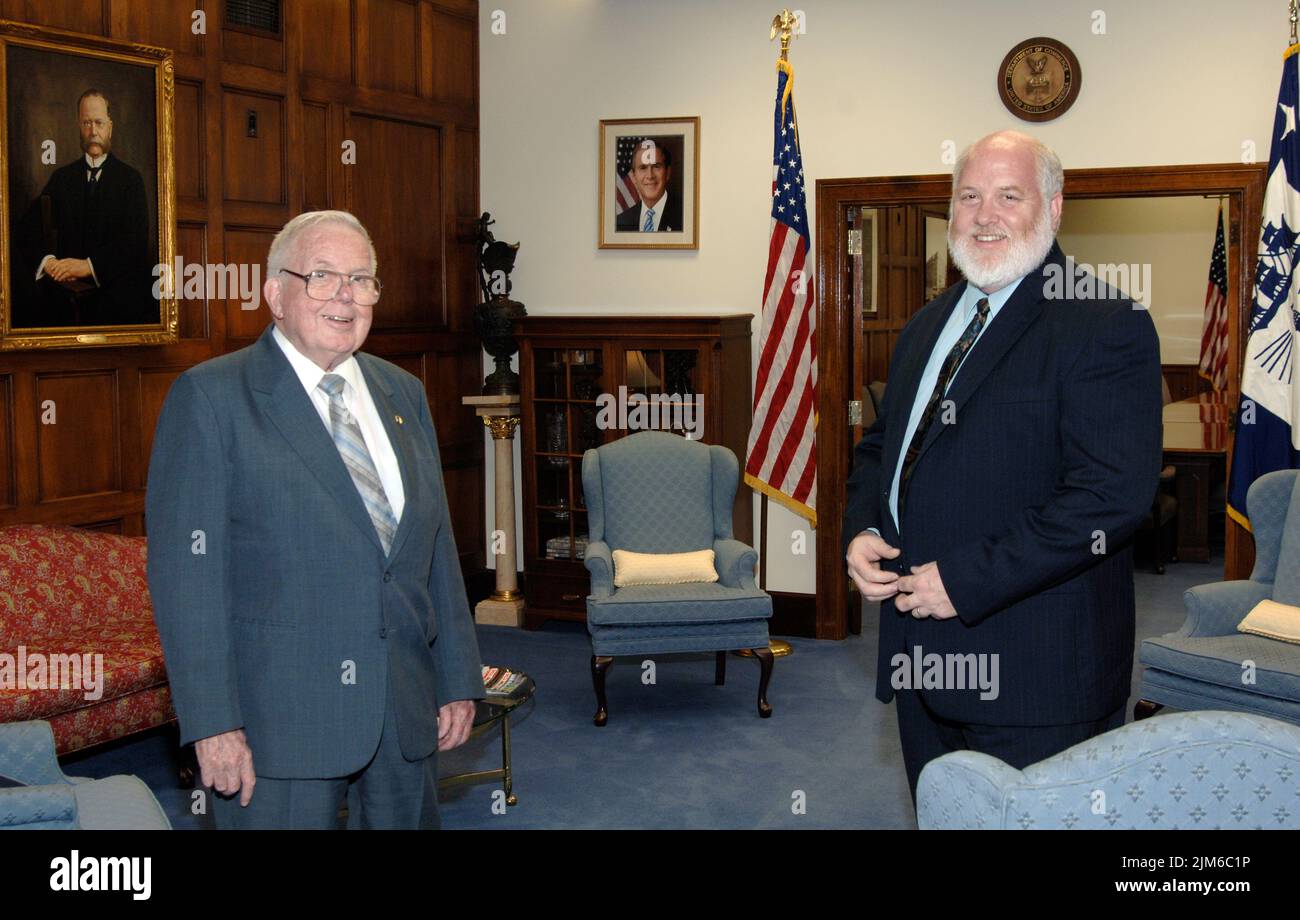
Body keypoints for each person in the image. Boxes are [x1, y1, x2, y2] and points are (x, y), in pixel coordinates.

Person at [842, 130, 1162, 803]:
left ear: (1053, 207)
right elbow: (883, 446)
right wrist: (863, 526)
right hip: (919, 662)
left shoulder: (1104, 321)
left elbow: (1110, 497)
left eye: (1008, 196)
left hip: (1036, 677)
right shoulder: (926, 326)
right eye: (969, 197)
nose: (985, 216)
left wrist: (963, 579)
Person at [146, 209, 485, 829]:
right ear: (276, 293)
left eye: (361, 279)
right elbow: (186, 581)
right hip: (278, 726)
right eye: (322, 276)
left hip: (402, 709)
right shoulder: (211, 399)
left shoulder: (403, 393)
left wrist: (457, 676)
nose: (345, 296)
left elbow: (434, 550)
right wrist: (214, 721)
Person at [13, 89, 153, 328]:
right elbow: (28, 228)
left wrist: (88, 266)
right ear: (79, 126)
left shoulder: (130, 180)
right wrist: (48, 262)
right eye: (87, 123)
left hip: (116, 302)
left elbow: (135, 243)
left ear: (110, 127)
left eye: (99, 123)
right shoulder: (62, 178)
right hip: (66, 303)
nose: (93, 131)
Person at [616, 139, 683, 232]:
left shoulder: (685, 214)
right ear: (634, 176)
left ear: (667, 173)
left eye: (656, 166)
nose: (650, 176)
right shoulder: (621, 222)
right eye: (643, 168)